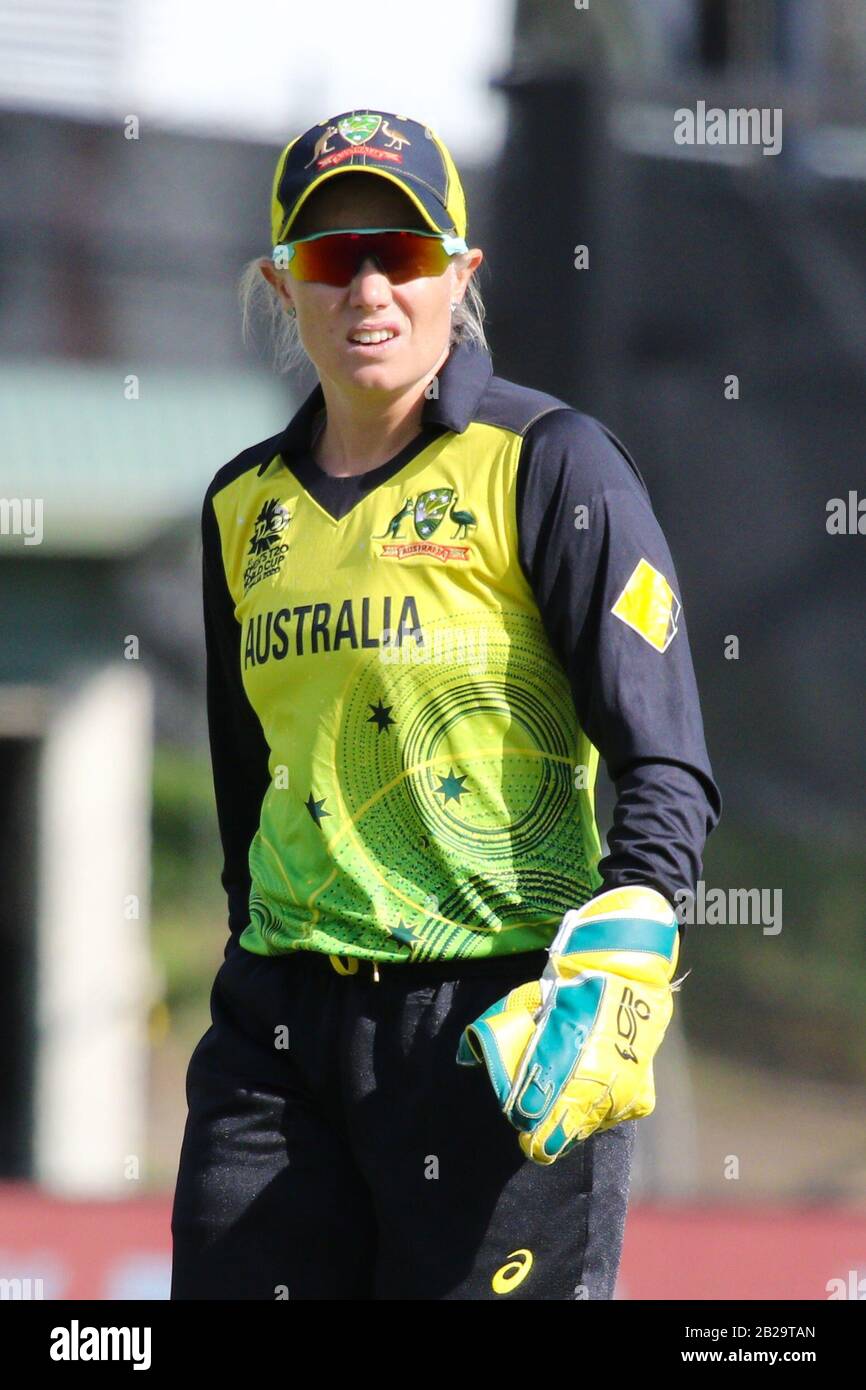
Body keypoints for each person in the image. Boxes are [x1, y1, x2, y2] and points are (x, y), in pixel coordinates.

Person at [169, 108, 721, 1301]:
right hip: (277, 1034)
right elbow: (243, 777)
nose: (366, 287)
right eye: (329, 256)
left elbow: (665, 757)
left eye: (401, 254)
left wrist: (629, 939)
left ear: (458, 274)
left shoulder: (548, 461)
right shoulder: (238, 508)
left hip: (500, 1017)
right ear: (281, 282)